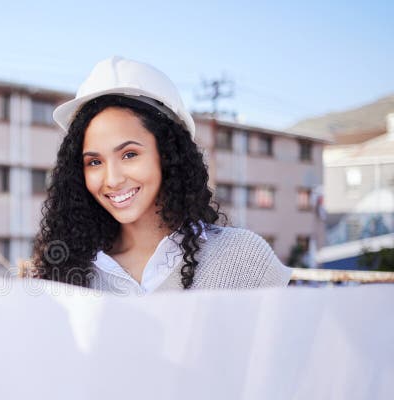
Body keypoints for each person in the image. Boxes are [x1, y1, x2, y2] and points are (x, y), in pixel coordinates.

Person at [31, 57, 291, 294]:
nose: (112, 179)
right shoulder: (67, 275)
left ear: (168, 153)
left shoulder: (243, 258)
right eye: (95, 161)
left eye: (129, 154)